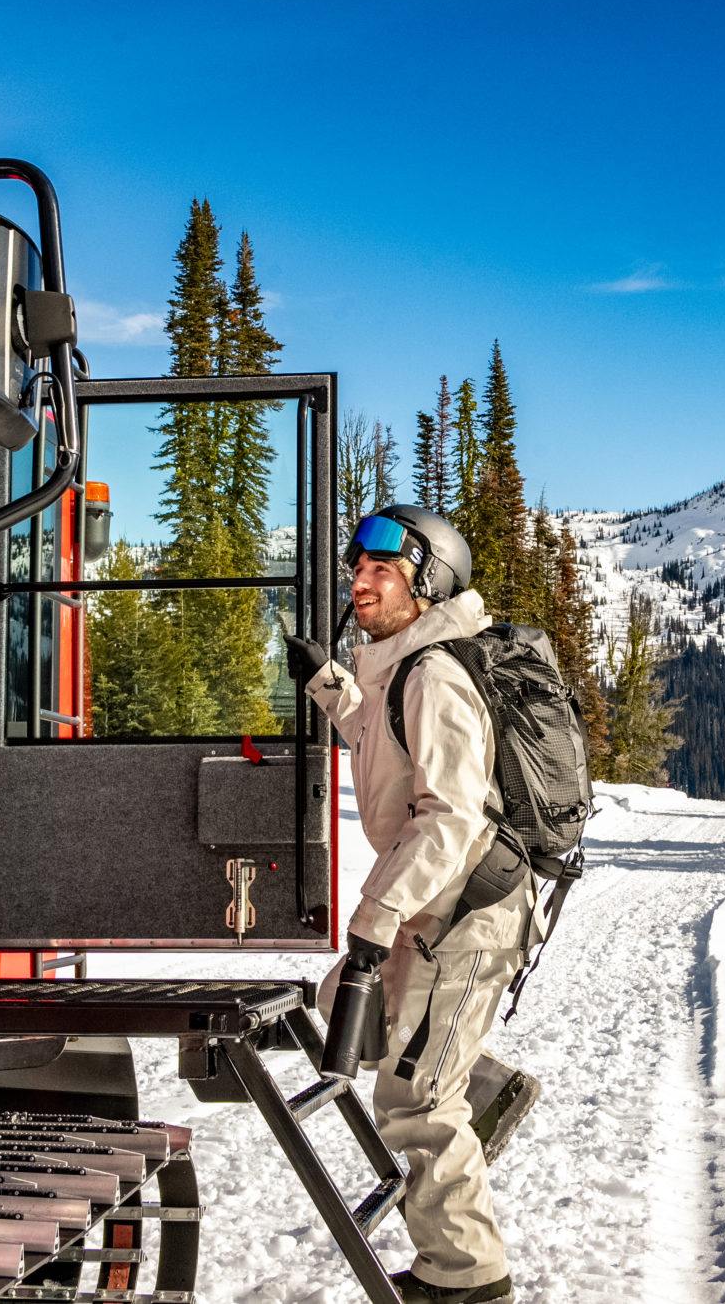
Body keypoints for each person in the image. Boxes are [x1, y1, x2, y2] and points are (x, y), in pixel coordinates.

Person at [285, 505, 534, 1304]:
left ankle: (468, 1281)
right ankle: (481, 1084)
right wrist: (328, 679)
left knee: (416, 1099)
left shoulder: (438, 674)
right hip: (434, 900)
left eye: (380, 570)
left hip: (464, 910)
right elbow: (372, 725)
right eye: (357, 566)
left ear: (425, 584)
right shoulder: (403, 665)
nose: (359, 580)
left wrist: (372, 922)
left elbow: (452, 816)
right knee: (346, 1016)